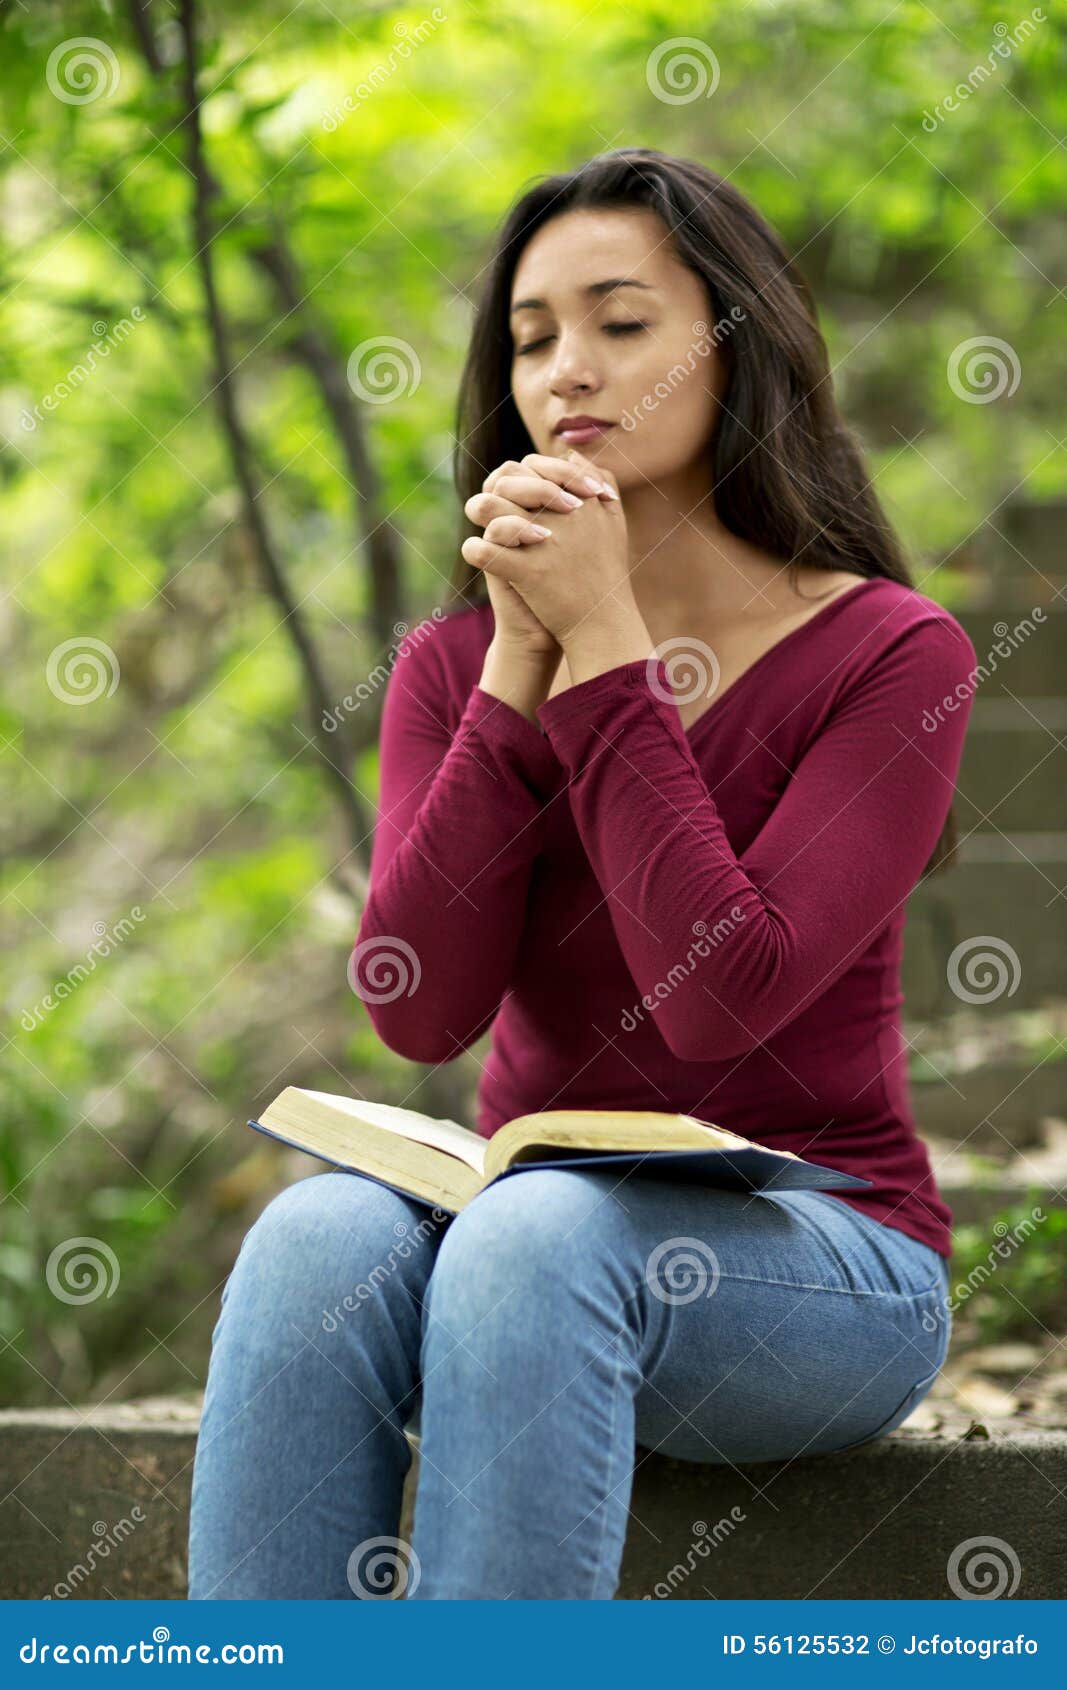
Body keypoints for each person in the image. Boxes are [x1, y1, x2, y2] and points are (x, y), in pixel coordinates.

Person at [188, 148, 976, 1601]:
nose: (566, 369)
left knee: (539, 1231)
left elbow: (719, 1005)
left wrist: (608, 643)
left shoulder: (890, 655)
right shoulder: (450, 665)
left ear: (740, 350)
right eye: (532, 336)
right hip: (529, 1238)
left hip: (823, 1251)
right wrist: (515, 674)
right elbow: (421, 1014)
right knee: (317, 1229)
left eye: (620, 322)